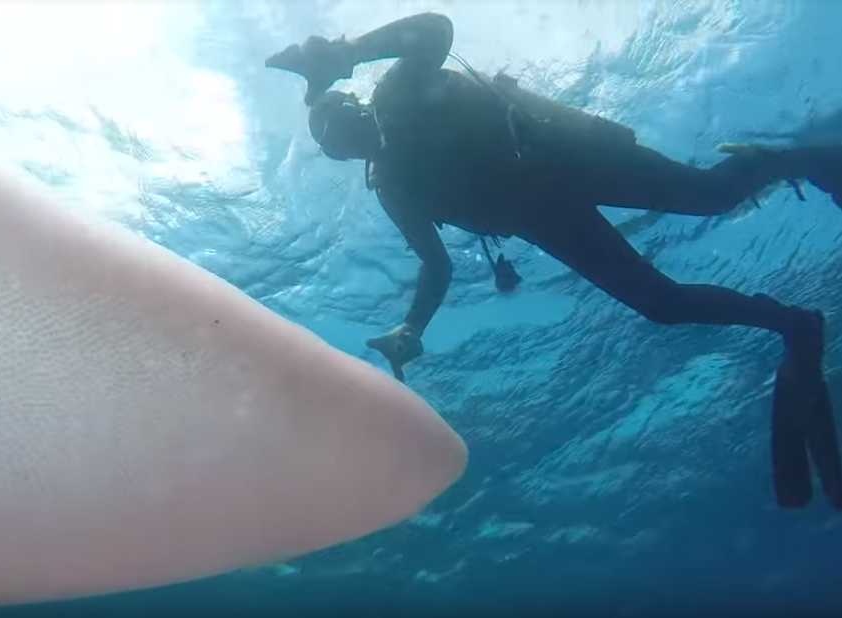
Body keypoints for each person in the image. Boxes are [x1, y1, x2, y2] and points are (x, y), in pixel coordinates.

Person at [264, 12, 842, 511]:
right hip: (546, 220)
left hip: (574, 159)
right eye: (327, 140)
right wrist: (411, 327)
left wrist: (347, 51)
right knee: (661, 305)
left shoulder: (397, 94)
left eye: (334, 120)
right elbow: (436, 265)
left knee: (711, 197)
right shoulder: (392, 187)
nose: (336, 136)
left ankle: (792, 160)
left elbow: (434, 29)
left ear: (353, 102)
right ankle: (787, 320)